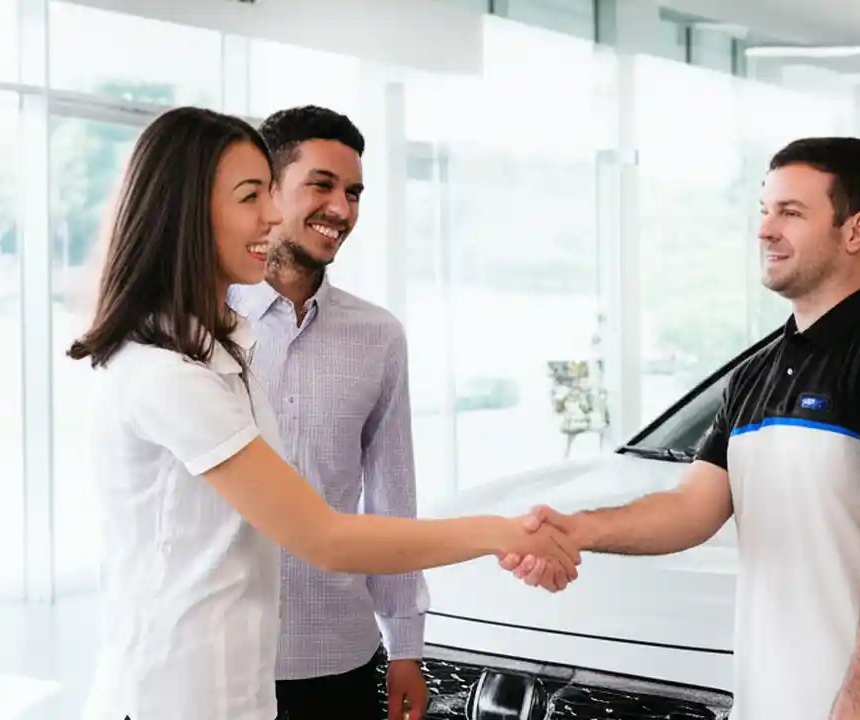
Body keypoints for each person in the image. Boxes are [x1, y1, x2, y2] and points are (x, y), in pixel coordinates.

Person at [68, 106, 579, 720]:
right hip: (172, 699)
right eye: (251, 196)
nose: (274, 215)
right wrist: (500, 533)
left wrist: (404, 642)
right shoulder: (164, 375)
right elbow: (322, 535)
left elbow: (382, 496)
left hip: (248, 690)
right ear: (187, 213)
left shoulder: (227, 351)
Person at [505, 137, 860, 720]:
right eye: (764, 211)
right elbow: (692, 508)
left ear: (855, 230)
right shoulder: (757, 375)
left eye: (790, 213)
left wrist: (856, 705)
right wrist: (575, 529)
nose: (765, 230)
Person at [226, 105, 426, 720]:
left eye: (354, 193)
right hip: (220, 660)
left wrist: (406, 647)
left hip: (339, 661)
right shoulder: (195, 327)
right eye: (321, 184)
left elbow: (393, 498)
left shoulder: (379, 336)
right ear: (266, 191)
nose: (342, 210)